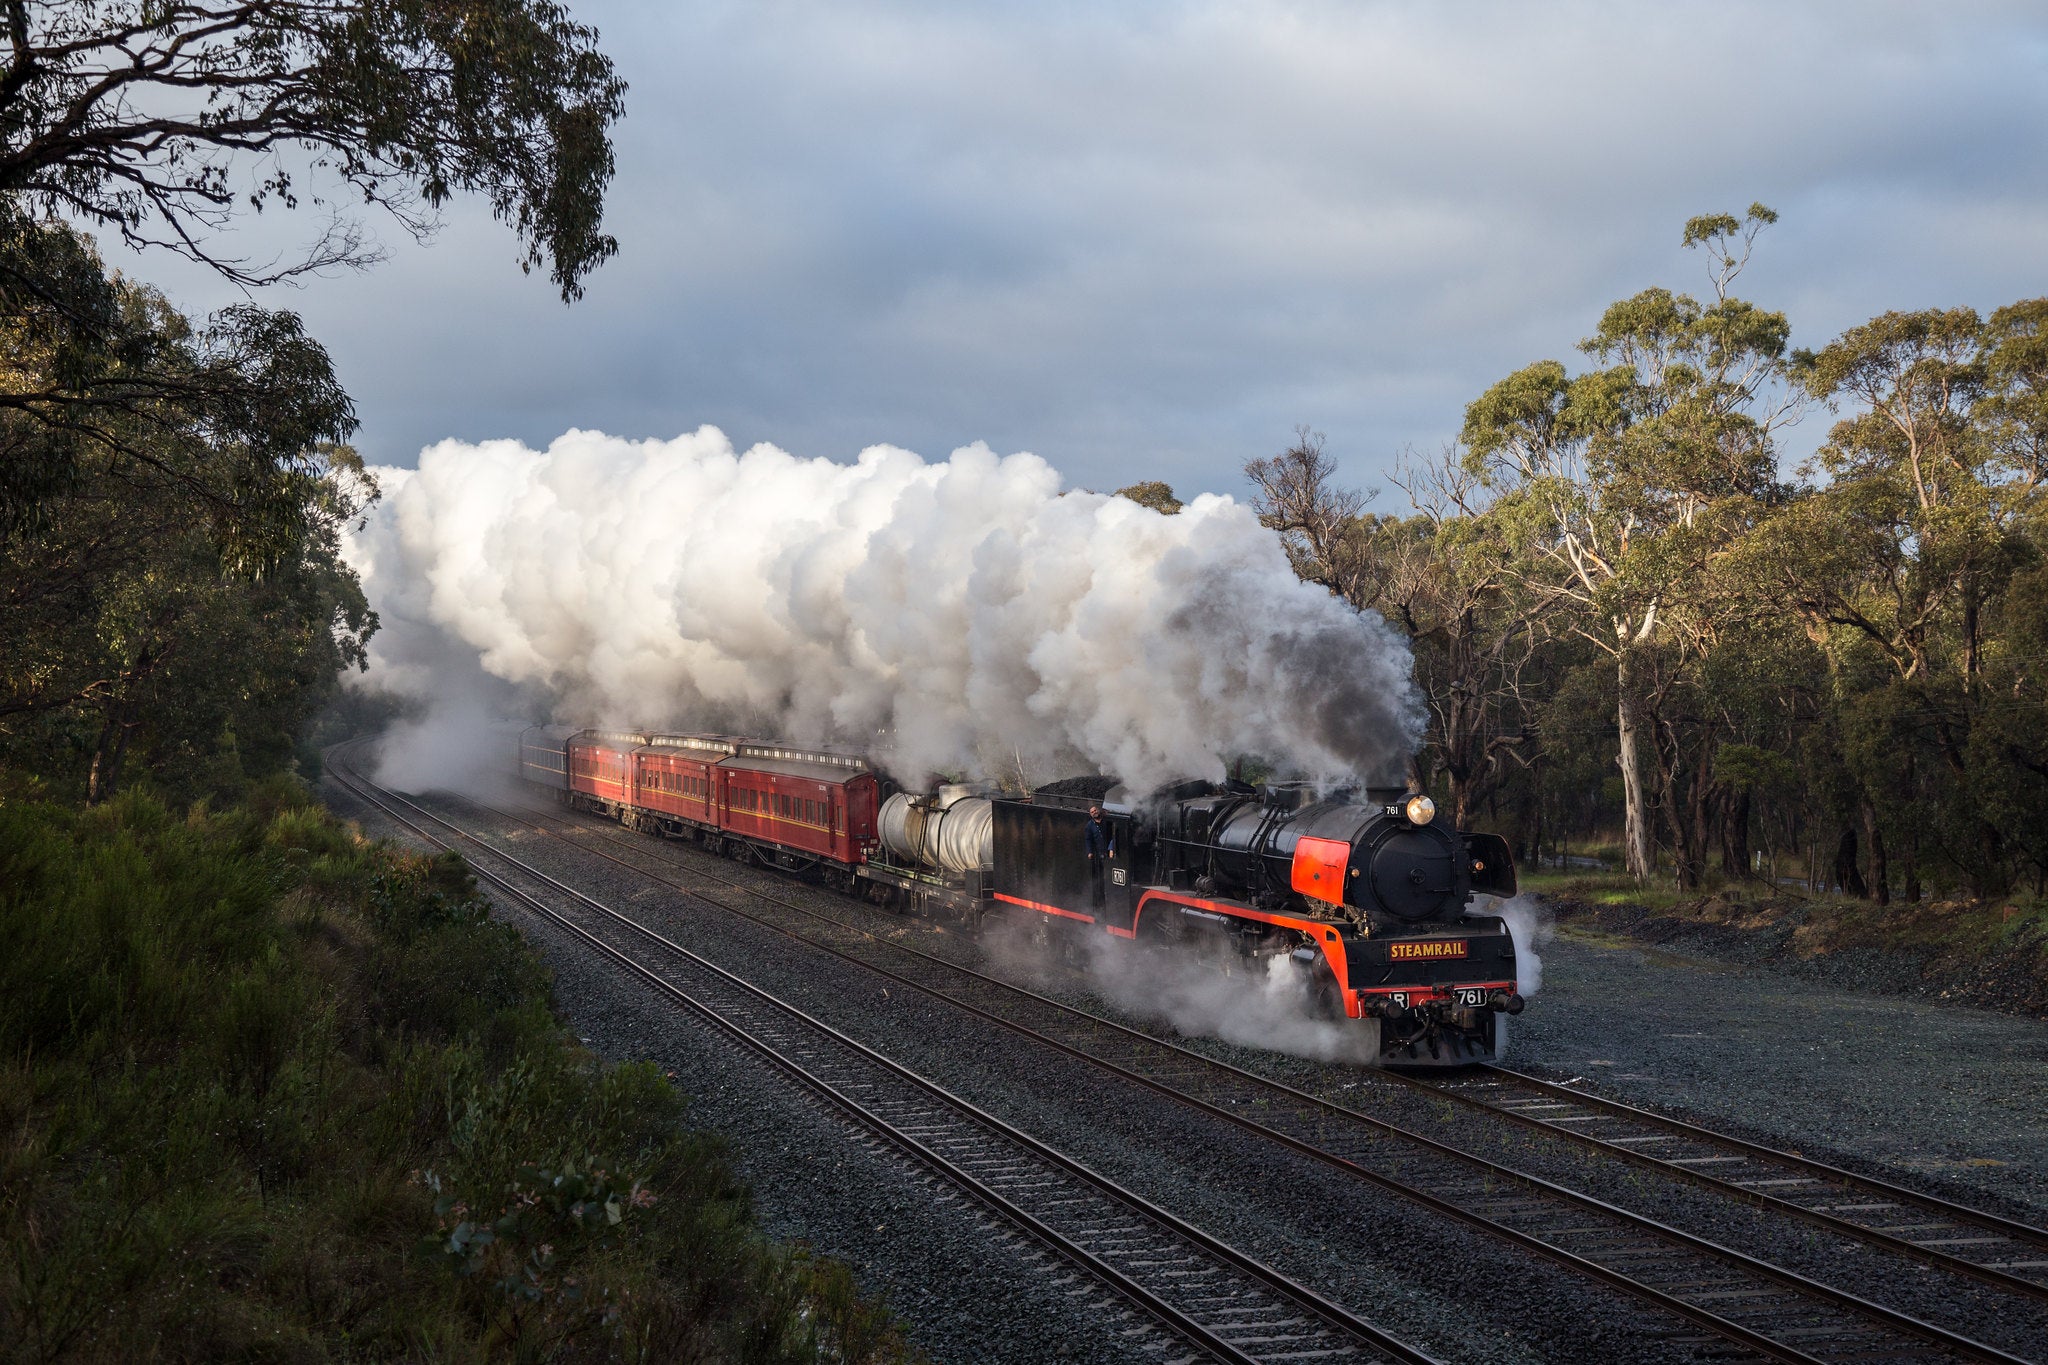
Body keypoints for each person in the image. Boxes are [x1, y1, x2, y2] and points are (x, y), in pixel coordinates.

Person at [1084, 804, 1115, 908]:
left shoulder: (1106, 820)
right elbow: (1088, 840)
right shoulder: (1089, 826)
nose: (1094, 812)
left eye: (1095, 810)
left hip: (1110, 850)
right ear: (1090, 814)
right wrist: (1089, 852)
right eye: (1092, 812)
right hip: (1100, 853)